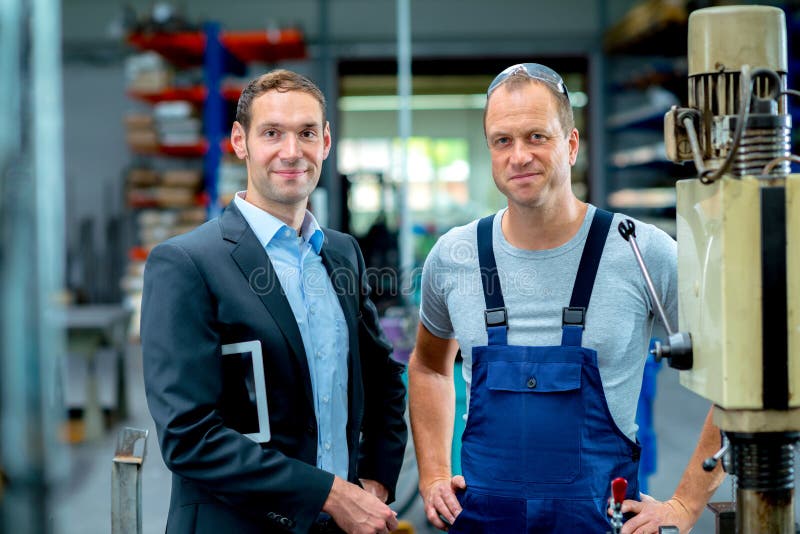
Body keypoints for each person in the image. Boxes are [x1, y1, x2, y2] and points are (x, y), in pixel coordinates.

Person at [407, 63, 725, 533]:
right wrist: (433, 473)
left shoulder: (640, 249)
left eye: (537, 136)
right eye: (502, 140)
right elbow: (429, 365)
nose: (519, 156)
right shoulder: (454, 256)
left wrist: (683, 505)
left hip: (600, 521)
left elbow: (737, 374)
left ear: (571, 145)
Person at [142, 69, 408, 534]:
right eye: (272, 133)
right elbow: (190, 437)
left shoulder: (341, 253)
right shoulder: (187, 263)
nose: (292, 151)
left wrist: (375, 482)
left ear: (325, 141)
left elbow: (383, 377)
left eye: (306, 132)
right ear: (240, 141)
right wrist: (329, 494)